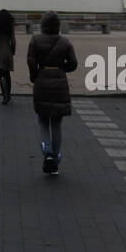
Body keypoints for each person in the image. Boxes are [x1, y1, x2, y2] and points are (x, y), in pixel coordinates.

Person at [27, 11, 78, 176]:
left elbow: (31, 60)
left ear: (43, 25)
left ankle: (47, 152)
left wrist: (34, 76)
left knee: (43, 121)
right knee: (56, 124)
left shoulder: (35, 40)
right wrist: (62, 68)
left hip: (42, 81)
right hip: (59, 83)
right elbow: (73, 64)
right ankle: (55, 158)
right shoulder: (65, 42)